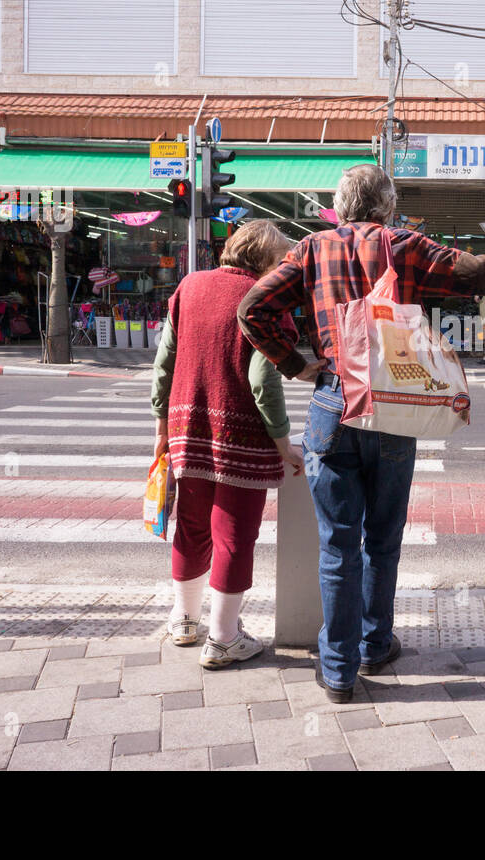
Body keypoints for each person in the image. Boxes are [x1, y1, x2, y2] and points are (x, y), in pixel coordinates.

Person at [239, 164, 485, 702]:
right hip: (392, 406)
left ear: (340, 208)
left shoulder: (311, 250)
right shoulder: (405, 246)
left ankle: (338, 672)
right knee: (382, 541)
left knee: (338, 545)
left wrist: (295, 364)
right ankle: (376, 643)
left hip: (334, 403)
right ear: (386, 207)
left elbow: (253, 309)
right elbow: (477, 272)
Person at [151, 221, 305, 670]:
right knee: (234, 537)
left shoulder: (189, 286)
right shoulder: (266, 301)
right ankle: (222, 638)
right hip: (239, 436)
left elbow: (164, 362)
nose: (284, 272)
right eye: (281, 263)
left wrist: (161, 427)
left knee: (192, 527)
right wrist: (283, 444)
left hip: (186, 427)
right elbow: (262, 381)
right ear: (264, 262)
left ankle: (183, 621)